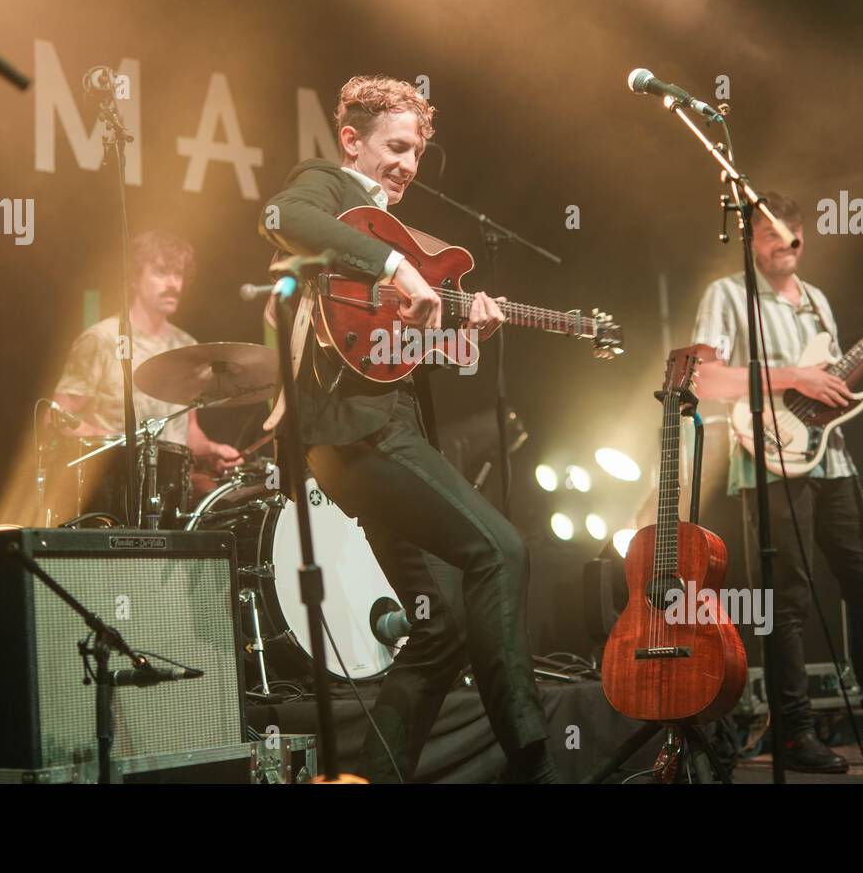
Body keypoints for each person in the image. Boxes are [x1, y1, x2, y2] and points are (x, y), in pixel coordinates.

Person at [258, 75, 556, 783]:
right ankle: (531, 760)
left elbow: (392, 354)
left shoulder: (392, 239)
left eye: (417, 153)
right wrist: (397, 266)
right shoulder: (329, 188)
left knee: (439, 630)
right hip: (356, 433)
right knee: (501, 551)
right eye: (395, 146)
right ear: (353, 140)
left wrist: (465, 333)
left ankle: (375, 780)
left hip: (377, 431)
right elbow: (282, 214)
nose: (407, 165)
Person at [691, 192, 863, 772]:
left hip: (832, 458)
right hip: (769, 457)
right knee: (787, 604)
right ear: (752, 240)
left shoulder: (818, 303)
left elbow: (836, 383)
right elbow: (705, 377)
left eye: (792, 234)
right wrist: (795, 376)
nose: (783, 244)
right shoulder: (728, 294)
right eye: (769, 235)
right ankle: (794, 733)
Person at [53, 229, 242, 501]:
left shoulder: (186, 345)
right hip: (115, 488)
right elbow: (59, 417)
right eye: (161, 272)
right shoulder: (102, 339)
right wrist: (118, 443)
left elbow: (187, 431)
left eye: (178, 274)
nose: (173, 284)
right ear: (134, 278)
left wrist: (212, 449)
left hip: (172, 490)